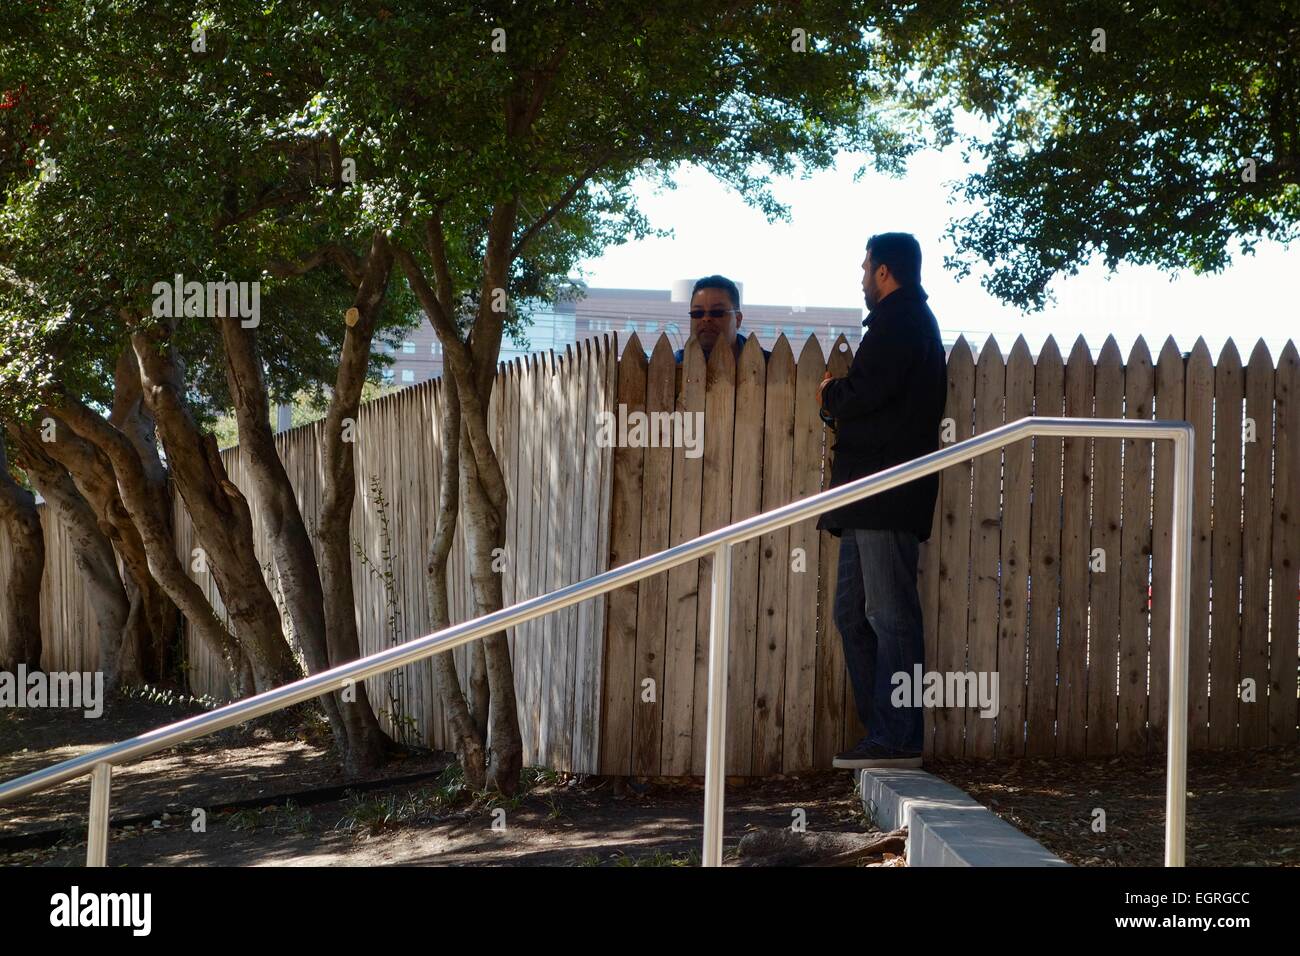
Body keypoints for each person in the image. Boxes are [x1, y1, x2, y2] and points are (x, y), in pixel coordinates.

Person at [816, 233, 947, 769]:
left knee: (889, 616)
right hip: (867, 496)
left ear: (885, 273)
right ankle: (884, 733)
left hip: (886, 492)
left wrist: (830, 394)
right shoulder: (905, 322)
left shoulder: (899, 322)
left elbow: (864, 396)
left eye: (866, 266)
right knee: (853, 613)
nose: (861, 275)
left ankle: (899, 737)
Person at [673, 275, 769, 363]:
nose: (706, 319)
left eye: (717, 312)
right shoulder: (673, 365)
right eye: (698, 313)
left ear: (738, 320)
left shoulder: (770, 365)